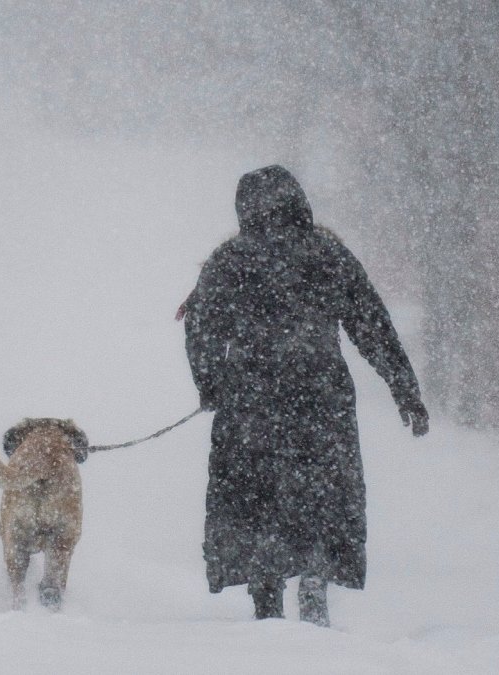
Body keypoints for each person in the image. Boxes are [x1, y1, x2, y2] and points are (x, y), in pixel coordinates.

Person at [182, 165, 428, 626]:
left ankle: (266, 595)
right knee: (323, 495)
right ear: (299, 202)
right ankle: (316, 576)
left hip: (250, 401)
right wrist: (403, 387)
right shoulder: (328, 253)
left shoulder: (229, 259)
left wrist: (211, 383)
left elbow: (201, 328)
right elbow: (370, 322)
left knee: (254, 496)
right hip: (320, 400)